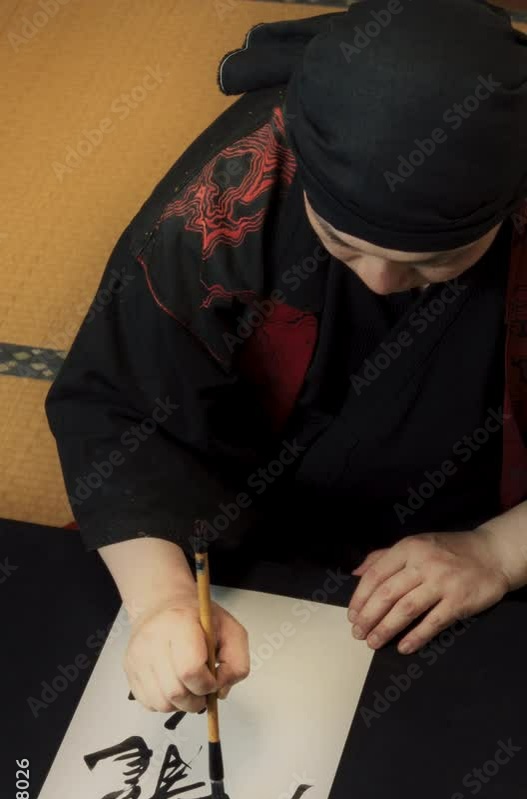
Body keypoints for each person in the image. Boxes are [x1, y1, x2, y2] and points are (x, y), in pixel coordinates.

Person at [46, 0, 527, 713]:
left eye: (432, 261)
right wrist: (162, 599)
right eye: (346, 244)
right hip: (256, 473)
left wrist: (496, 552)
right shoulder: (224, 199)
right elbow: (117, 401)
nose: (380, 282)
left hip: (480, 480)